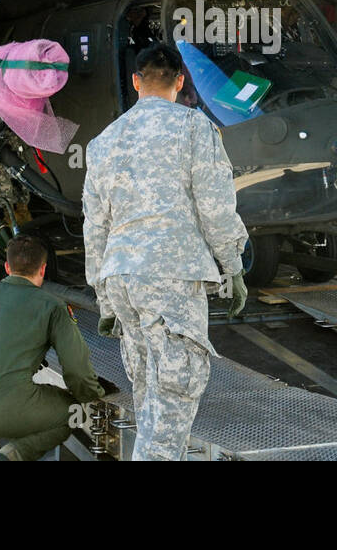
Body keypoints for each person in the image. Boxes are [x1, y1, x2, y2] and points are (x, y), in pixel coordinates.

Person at [82, 42, 248, 460]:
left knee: (149, 399)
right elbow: (215, 206)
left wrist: (104, 299)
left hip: (122, 281)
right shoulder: (194, 129)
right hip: (170, 278)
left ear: (136, 82)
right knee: (173, 401)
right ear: (180, 82)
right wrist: (233, 266)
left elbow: (94, 224)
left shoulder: (104, 142)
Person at [0, 236, 106, 461]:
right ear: (43, 270)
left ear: (7, 267)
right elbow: (75, 366)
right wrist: (90, 395)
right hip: (11, 409)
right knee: (74, 413)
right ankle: (13, 455)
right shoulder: (52, 306)